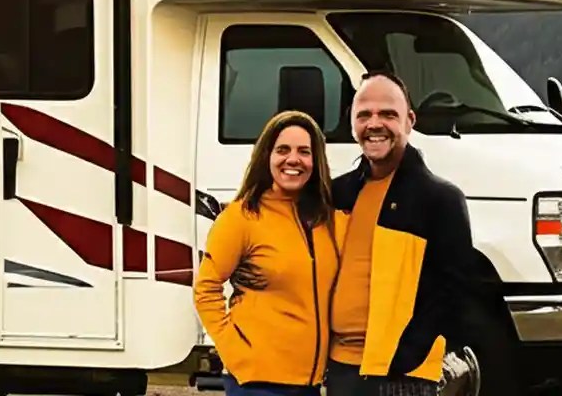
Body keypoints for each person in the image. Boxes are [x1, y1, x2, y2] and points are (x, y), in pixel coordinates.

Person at [326, 70, 474, 396]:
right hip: (340, 371)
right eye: (364, 115)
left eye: (388, 114)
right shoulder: (337, 194)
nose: (374, 124)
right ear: (351, 123)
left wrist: (407, 356)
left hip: (404, 377)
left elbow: (456, 293)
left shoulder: (440, 199)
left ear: (410, 122)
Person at [193, 110, 343, 396]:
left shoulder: (325, 221)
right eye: (282, 150)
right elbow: (206, 289)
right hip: (256, 383)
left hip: (309, 384)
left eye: (304, 151)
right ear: (266, 156)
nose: (293, 159)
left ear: (316, 161)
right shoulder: (241, 217)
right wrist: (233, 348)